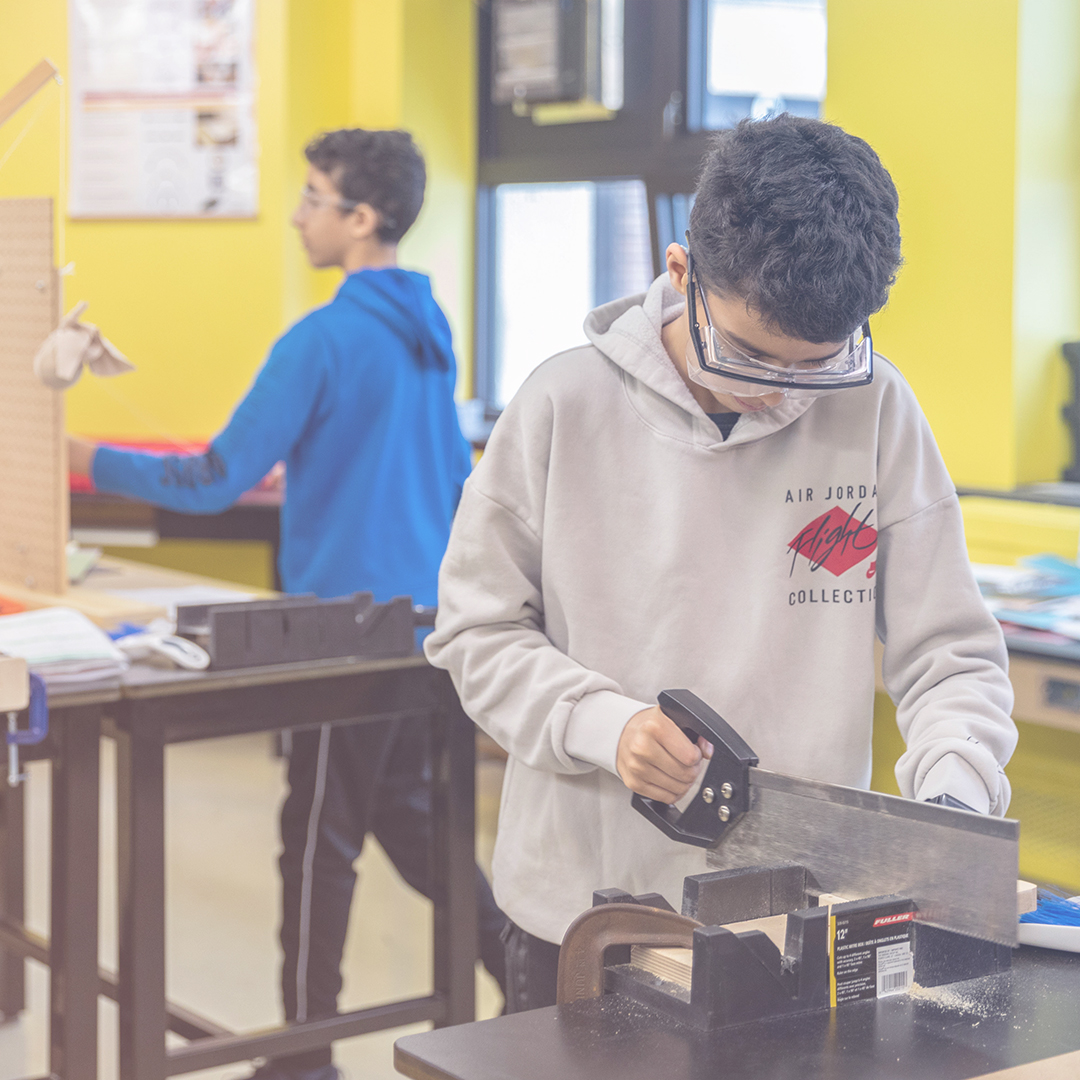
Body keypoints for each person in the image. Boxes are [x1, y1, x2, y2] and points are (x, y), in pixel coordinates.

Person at [423, 114, 1017, 1013]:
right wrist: (603, 725)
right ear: (680, 273)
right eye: (747, 355)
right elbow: (477, 633)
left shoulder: (875, 410)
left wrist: (954, 798)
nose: (777, 391)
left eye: (813, 365)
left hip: (805, 916)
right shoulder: (561, 407)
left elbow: (951, 658)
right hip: (589, 916)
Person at [69, 128, 508, 1080]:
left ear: (360, 220)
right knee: (404, 817)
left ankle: (303, 1054)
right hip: (427, 624)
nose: (300, 213)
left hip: (339, 633)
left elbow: (216, 480)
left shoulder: (323, 338)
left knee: (315, 842)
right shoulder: (428, 332)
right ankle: (522, 962)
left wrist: (82, 459)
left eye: (313, 197)